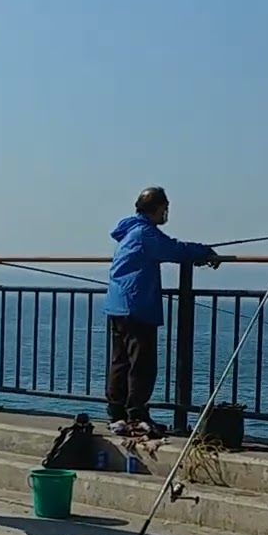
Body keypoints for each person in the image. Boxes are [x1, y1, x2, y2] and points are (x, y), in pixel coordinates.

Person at [104, 187, 221, 437]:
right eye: (165, 209)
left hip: (117, 303)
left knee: (120, 360)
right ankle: (136, 414)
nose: (166, 214)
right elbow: (175, 249)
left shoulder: (129, 231)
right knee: (141, 363)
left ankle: (116, 412)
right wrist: (204, 251)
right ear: (158, 208)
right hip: (137, 305)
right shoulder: (146, 233)